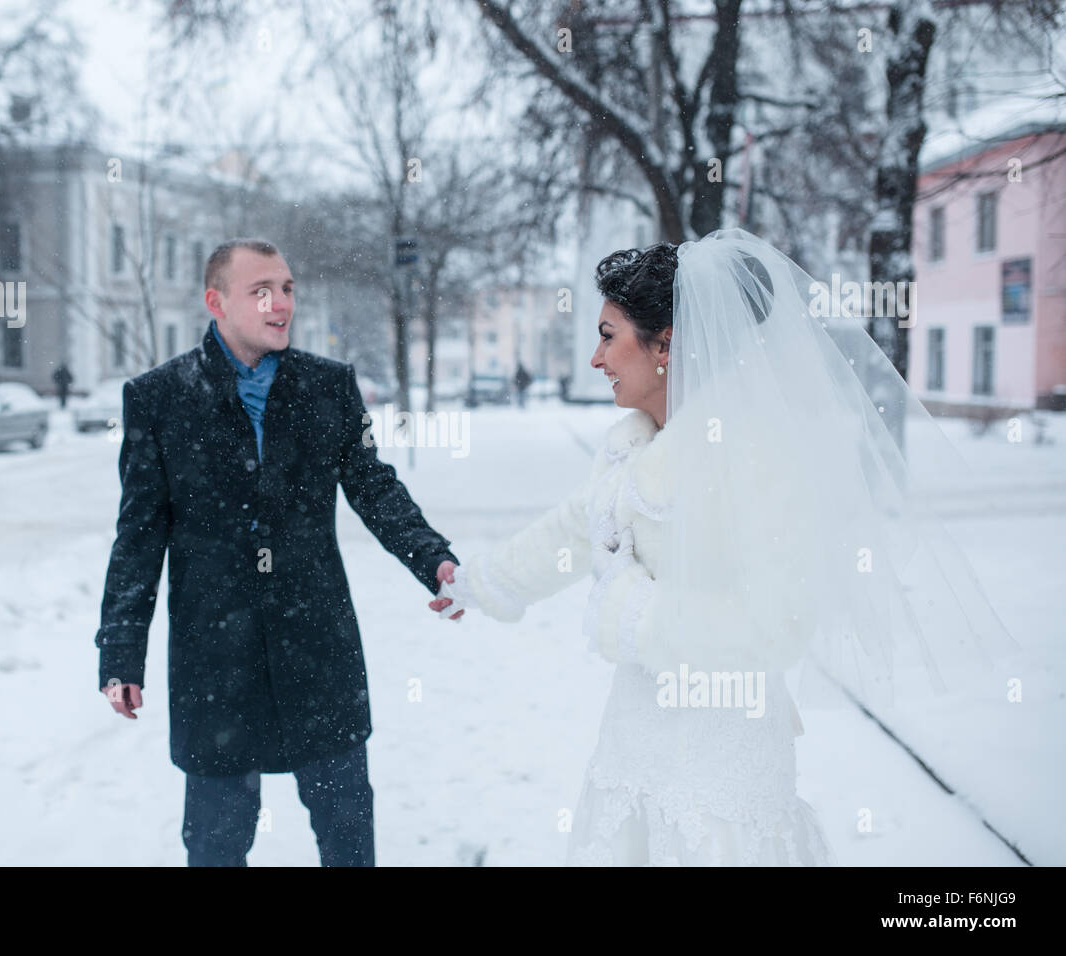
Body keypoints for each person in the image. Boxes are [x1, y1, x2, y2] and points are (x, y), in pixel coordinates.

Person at [431, 228, 1018, 866]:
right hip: (635, 742)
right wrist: (477, 584)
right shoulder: (635, 446)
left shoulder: (756, 456)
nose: (596, 360)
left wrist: (630, 613)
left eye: (607, 337)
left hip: (720, 765)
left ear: (666, 344)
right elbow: (572, 531)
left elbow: (777, 626)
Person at [94, 238, 460, 867]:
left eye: (288, 288)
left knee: (347, 832)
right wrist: (121, 650)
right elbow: (139, 534)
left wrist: (433, 559)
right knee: (217, 842)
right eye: (262, 290)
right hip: (216, 660)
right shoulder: (159, 398)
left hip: (317, 647)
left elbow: (372, 486)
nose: (281, 303)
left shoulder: (329, 386)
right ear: (217, 302)